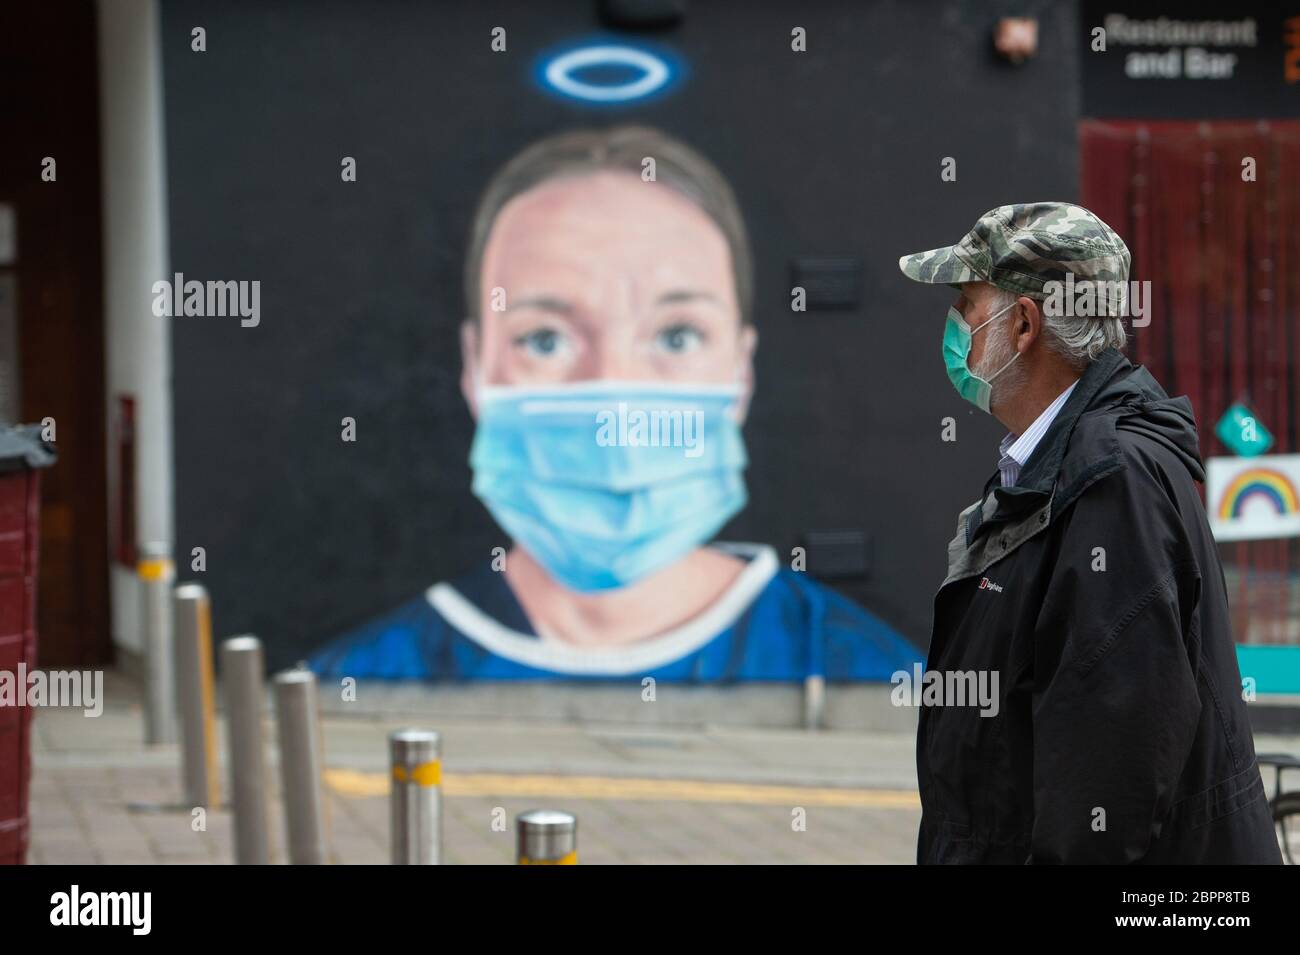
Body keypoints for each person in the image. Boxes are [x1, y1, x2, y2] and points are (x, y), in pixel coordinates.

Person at [311, 126, 920, 682]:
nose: (614, 394)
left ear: (740, 370)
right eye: (544, 339)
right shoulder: (349, 690)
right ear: (474, 367)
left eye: (676, 336)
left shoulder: (878, 682)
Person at [898, 201, 1281, 863]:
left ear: (1024, 324)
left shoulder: (1111, 483)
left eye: (966, 302)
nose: (955, 324)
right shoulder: (1060, 464)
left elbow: (1105, 794)